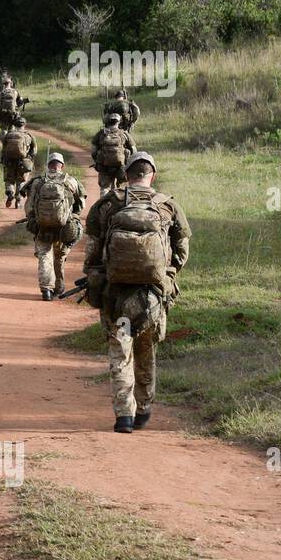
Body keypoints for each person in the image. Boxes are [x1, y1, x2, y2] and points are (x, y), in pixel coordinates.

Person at [82, 152, 191, 433]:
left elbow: (93, 248)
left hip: (114, 292)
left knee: (120, 353)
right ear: (151, 175)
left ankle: (124, 416)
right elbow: (182, 249)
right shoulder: (168, 206)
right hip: (153, 293)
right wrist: (167, 273)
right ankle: (144, 409)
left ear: (126, 175)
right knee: (146, 350)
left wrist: (96, 275)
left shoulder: (107, 204)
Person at [21, 152, 86, 301]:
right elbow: (81, 204)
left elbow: (29, 206)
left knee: (44, 255)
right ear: (61, 166)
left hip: (42, 227)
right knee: (60, 256)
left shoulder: (37, 182)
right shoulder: (70, 181)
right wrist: (72, 216)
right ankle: (59, 286)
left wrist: (33, 219)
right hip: (64, 228)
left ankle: (46, 290)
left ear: (48, 165)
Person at [0, 114, 38, 209]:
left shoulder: (8, 134)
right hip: (23, 162)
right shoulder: (29, 135)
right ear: (24, 125)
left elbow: (4, 149)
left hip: (9, 162)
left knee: (9, 180)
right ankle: (18, 200)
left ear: (15, 125)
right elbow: (34, 151)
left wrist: (3, 160)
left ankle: (10, 192)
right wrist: (29, 159)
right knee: (21, 181)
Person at [91, 113, 135, 193]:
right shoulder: (124, 134)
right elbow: (133, 150)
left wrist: (97, 161)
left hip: (104, 166)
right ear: (119, 122)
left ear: (108, 121)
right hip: (120, 167)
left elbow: (93, 151)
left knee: (104, 188)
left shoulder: (101, 134)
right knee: (121, 189)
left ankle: (103, 203)